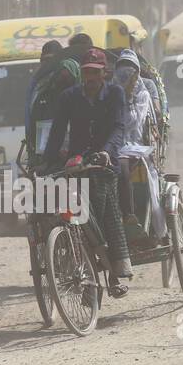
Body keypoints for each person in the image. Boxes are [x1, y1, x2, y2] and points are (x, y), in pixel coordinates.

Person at [42, 47, 133, 294]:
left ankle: (115, 274)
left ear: (104, 72)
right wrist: (47, 161)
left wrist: (106, 152)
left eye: (95, 72)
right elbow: (58, 132)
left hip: (104, 163)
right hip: (77, 163)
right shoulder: (68, 98)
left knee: (105, 209)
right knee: (61, 204)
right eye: (86, 73)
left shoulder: (115, 94)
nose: (90, 78)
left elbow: (118, 127)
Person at [112, 51, 164, 237]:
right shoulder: (110, 92)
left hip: (138, 145)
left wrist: (128, 97)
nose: (126, 74)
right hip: (115, 145)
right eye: (122, 69)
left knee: (123, 167)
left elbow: (135, 122)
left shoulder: (144, 93)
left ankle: (130, 215)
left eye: (130, 69)